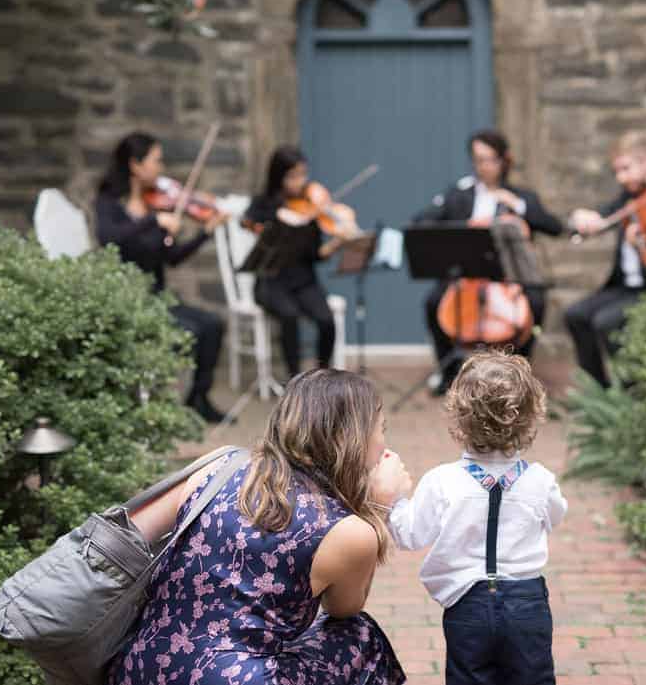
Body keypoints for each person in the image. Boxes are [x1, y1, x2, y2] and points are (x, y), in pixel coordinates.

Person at [108, 368, 413, 685]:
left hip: (138, 669)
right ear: (349, 439)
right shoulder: (347, 531)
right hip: (236, 679)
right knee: (360, 635)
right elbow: (343, 608)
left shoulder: (220, 466)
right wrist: (378, 506)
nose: (384, 443)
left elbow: (131, 531)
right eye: (382, 429)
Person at [387, 350, 567, 685]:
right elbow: (556, 515)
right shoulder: (540, 480)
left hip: (467, 605)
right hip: (527, 604)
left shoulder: (441, 481)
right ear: (530, 418)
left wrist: (391, 500)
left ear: (459, 415)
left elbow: (408, 534)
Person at [414, 129, 564, 395]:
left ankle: (519, 370)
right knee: (432, 302)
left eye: (489, 159)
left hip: (509, 279)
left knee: (537, 301)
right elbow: (422, 220)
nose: (483, 166)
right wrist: (461, 228)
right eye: (478, 160)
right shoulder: (460, 194)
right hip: (467, 277)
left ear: (504, 160)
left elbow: (553, 226)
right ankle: (449, 374)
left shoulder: (522, 196)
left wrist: (518, 206)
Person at [95, 131, 229, 423]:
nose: (161, 168)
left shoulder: (156, 202)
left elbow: (172, 258)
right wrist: (152, 220)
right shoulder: (110, 203)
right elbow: (109, 238)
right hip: (130, 300)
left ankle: (199, 398)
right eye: (156, 161)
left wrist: (205, 233)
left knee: (213, 325)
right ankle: (158, 404)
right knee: (190, 332)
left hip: (158, 296)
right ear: (135, 165)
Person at [562, 132, 646, 388]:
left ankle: (631, 391)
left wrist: (640, 245)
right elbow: (605, 215)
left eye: (626, 169)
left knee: (604, 322)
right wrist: (584, 218)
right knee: (574, 315)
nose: (621, 177)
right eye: (617, 171)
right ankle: (599, 391)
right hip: (622, 288)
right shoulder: (628, 198)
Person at [243, 145, 356, 378]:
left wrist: (337, 244)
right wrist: (269, 226)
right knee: (289, 316)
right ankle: (294, 380)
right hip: (271, 280)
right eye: (293, 176)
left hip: (303, 279)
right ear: (279, 176)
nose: (300, 181)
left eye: (303, 174)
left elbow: (316, 255)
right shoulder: (264, 203)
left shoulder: (311, 206)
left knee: (326, 320)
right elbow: (247, 222)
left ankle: (322, 375)